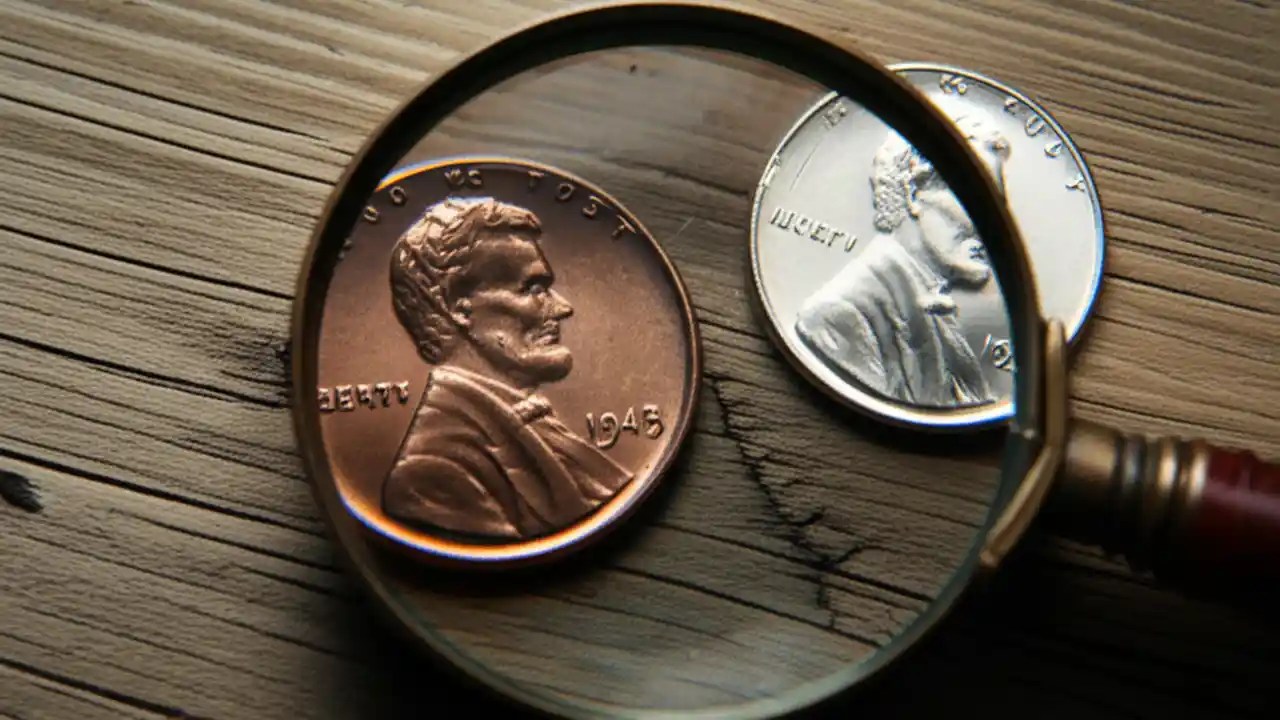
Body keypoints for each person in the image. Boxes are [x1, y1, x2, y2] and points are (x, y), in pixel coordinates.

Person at [382, 196, 632, 540]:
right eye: (533, 288)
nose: (563, 308)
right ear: (459, 306)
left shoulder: (523, 423)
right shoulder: (431, 472)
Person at [794, 111, 1011, 409]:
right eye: (977, 203)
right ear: (913, 193)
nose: (996, 227)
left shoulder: (931, 310)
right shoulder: (840, 315)